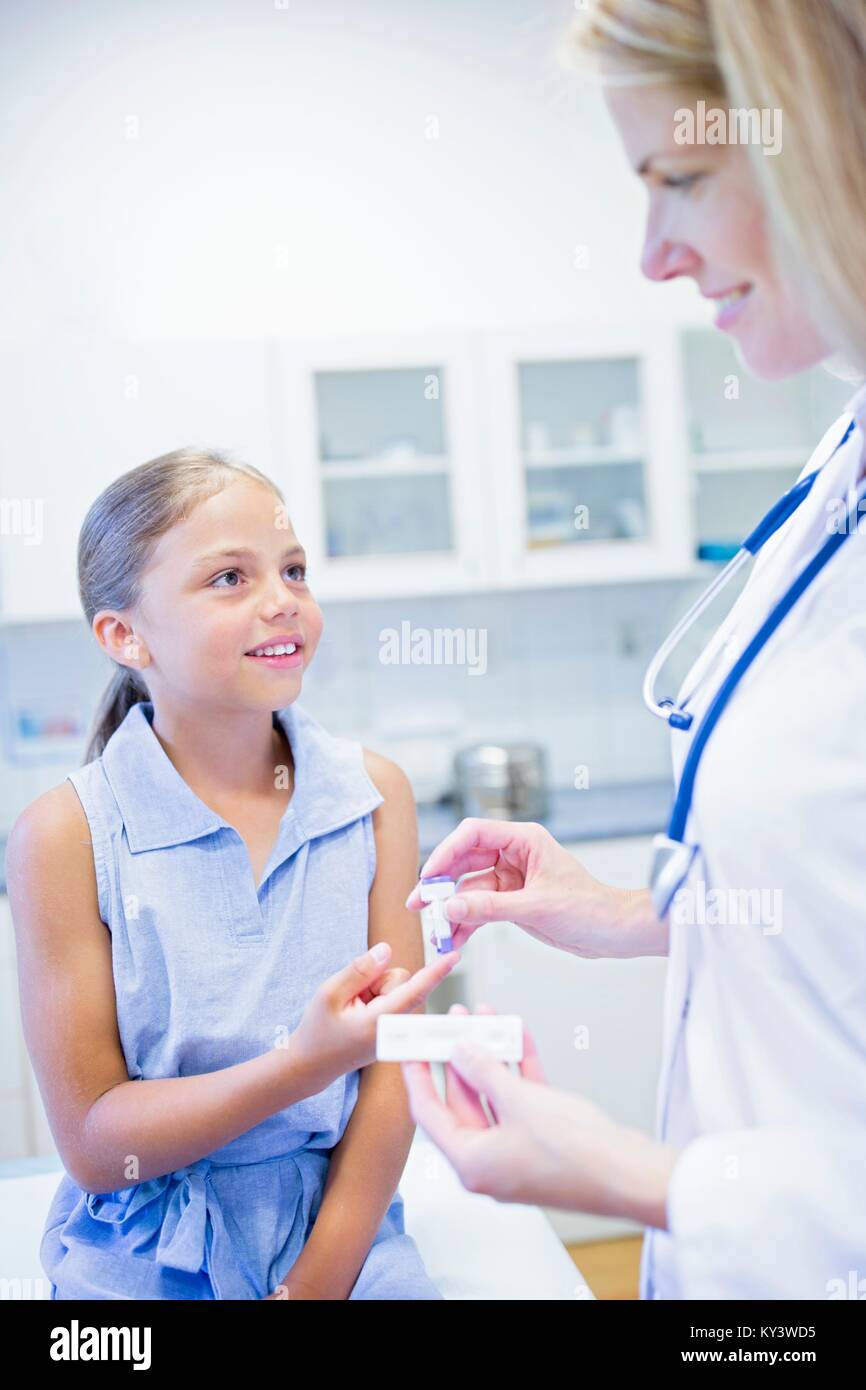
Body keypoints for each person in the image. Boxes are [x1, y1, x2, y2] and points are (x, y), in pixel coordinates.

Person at [402, 0, 866, 1300]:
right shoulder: (841, 458)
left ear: (828, 133)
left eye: (680, 180)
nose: (653, 253)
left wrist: (623, 1175)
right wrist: (614, 913)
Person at [7, 447, 458, 1299]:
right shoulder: (65, 836)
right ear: (124, 634)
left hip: (342, 1232)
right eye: (229, 579)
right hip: (143, 1248)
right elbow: (100, 1147)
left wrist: (315, 1284)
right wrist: (301, 1065)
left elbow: (396, 1072)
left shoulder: (372, 798)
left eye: (293, 570)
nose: (282, 599)